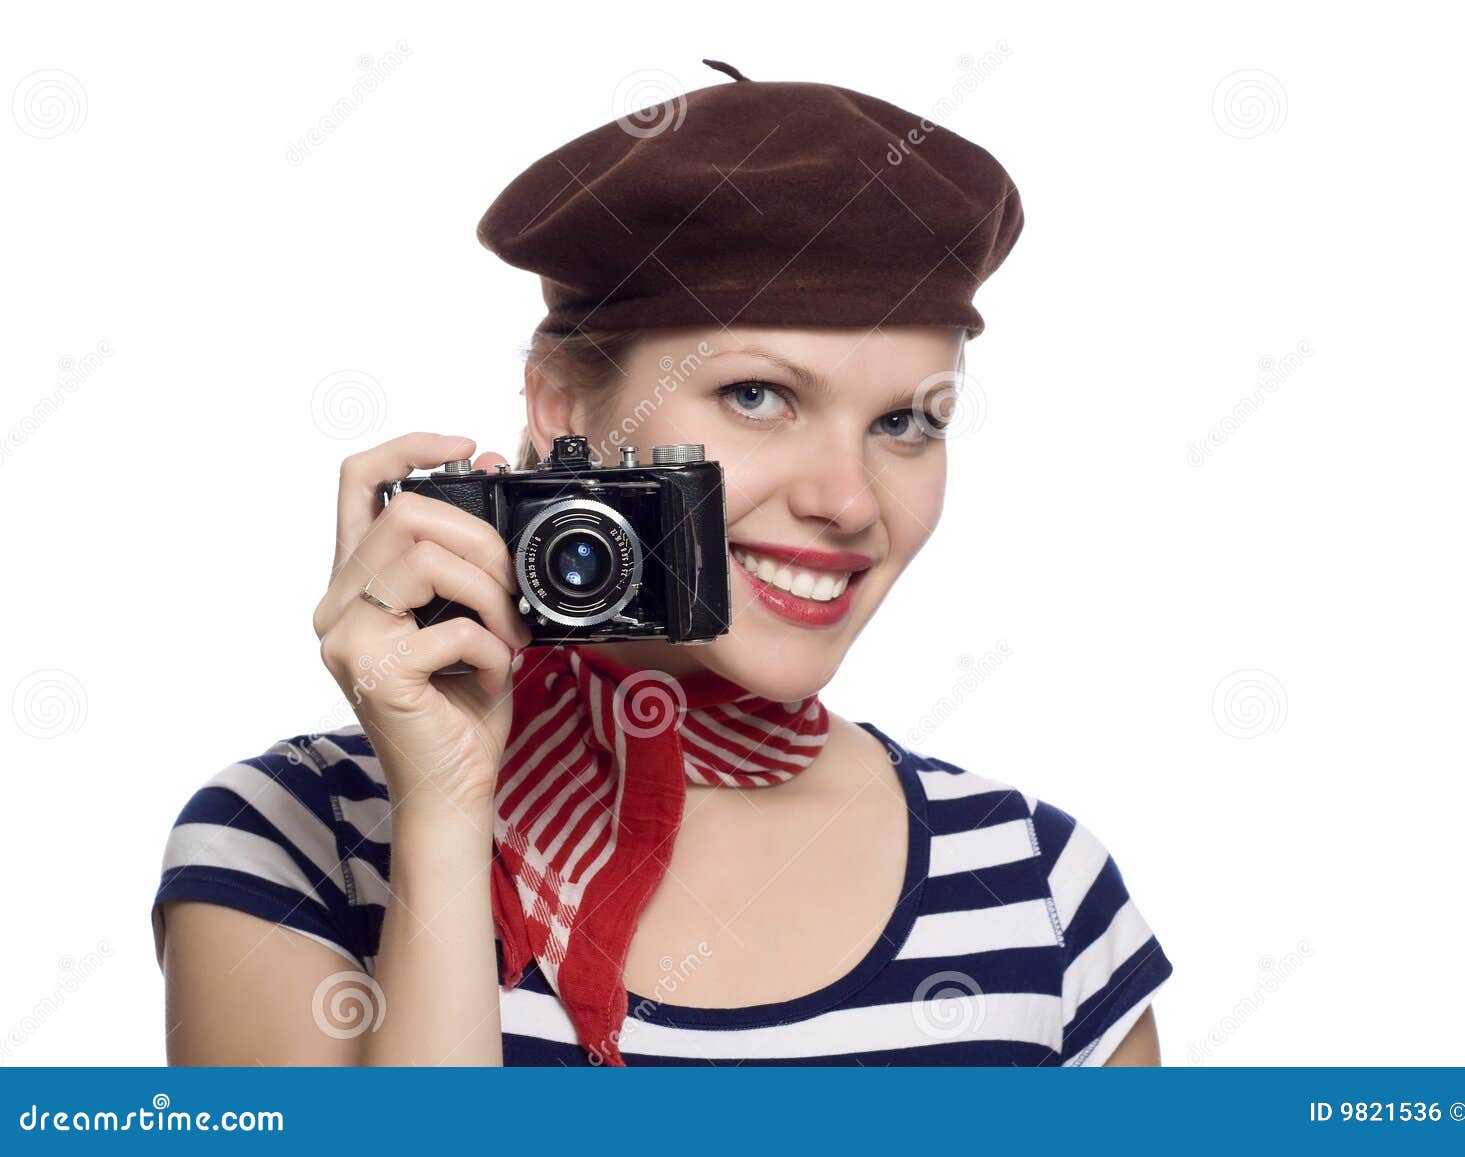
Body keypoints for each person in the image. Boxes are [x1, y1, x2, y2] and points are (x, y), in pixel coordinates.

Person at [151, 60, 1172, 1066]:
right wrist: (444, 815)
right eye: (758, 396)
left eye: (905, 422)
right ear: (560, 405)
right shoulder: (290, 841)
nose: (850, 500)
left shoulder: (1039, 889)